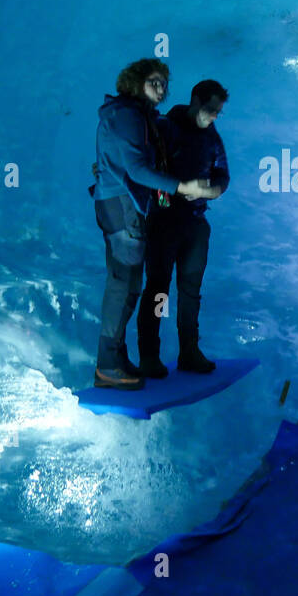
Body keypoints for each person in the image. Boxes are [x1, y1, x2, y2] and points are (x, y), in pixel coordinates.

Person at [90, 59, 215, 389]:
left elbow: (128, 159)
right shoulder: (129, 115)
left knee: (129, 284)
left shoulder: (134, 114)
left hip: (121, 204)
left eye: (163, 83)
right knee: (125, 286)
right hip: (122, 207)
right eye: (154, 82)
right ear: (135, 82)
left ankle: (115, 358)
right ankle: (107, 365)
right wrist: (182, 186)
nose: (161, 88)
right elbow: (137, 169)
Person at [137, 80, 230, 377]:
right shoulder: (166, 128)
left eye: (218, 112)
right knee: (158, 290)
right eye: (209, 109)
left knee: (190, 291)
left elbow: (223, 177)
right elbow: (142, 168)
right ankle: (149, 356)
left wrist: (207, 192)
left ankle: (189, 352)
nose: (213, 116)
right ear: (194, 100)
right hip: (164, 222)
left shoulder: (212, 137)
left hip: (195, 223)